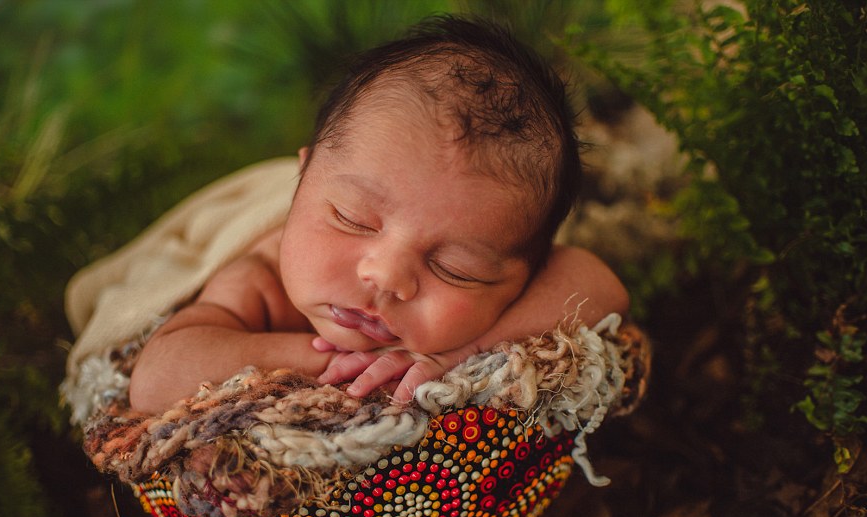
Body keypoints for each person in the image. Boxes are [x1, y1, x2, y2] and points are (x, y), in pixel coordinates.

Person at [128, 16, 628, 415]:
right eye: (352, 218)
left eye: (456, 268)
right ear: (302, 183)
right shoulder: (256, 281)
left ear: (521, 274)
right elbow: (154, 380)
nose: (386, 276)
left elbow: (601, 285)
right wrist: (335, 360)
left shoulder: (506, 269)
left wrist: (463, 353)